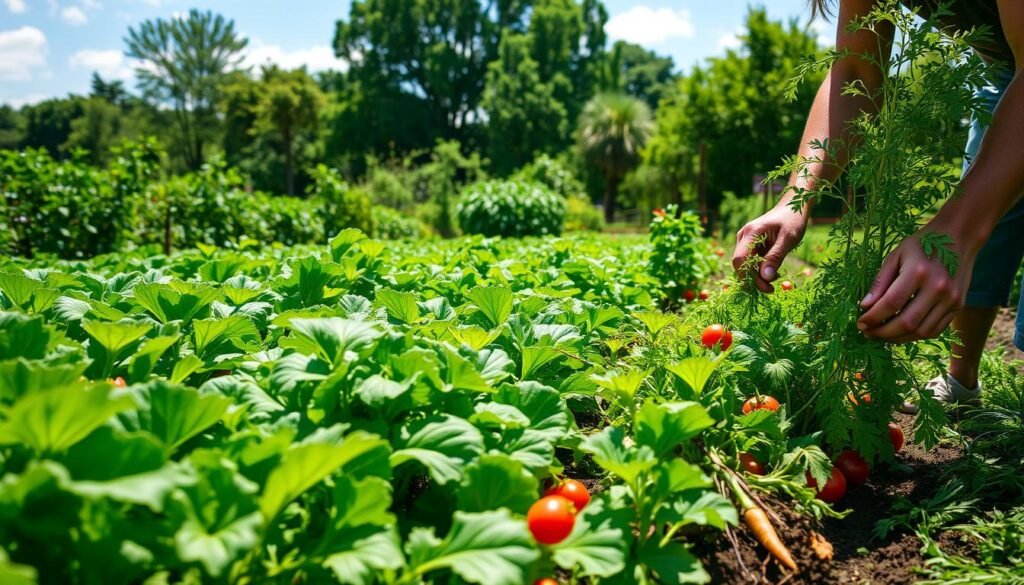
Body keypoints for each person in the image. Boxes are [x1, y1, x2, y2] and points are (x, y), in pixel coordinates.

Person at [732, 0, 1023, 408]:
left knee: (974, 214)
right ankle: (961, 380)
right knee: (988, 207)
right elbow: (856, 71)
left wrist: (957, 228)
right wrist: (796, 199)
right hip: (1007, 70)